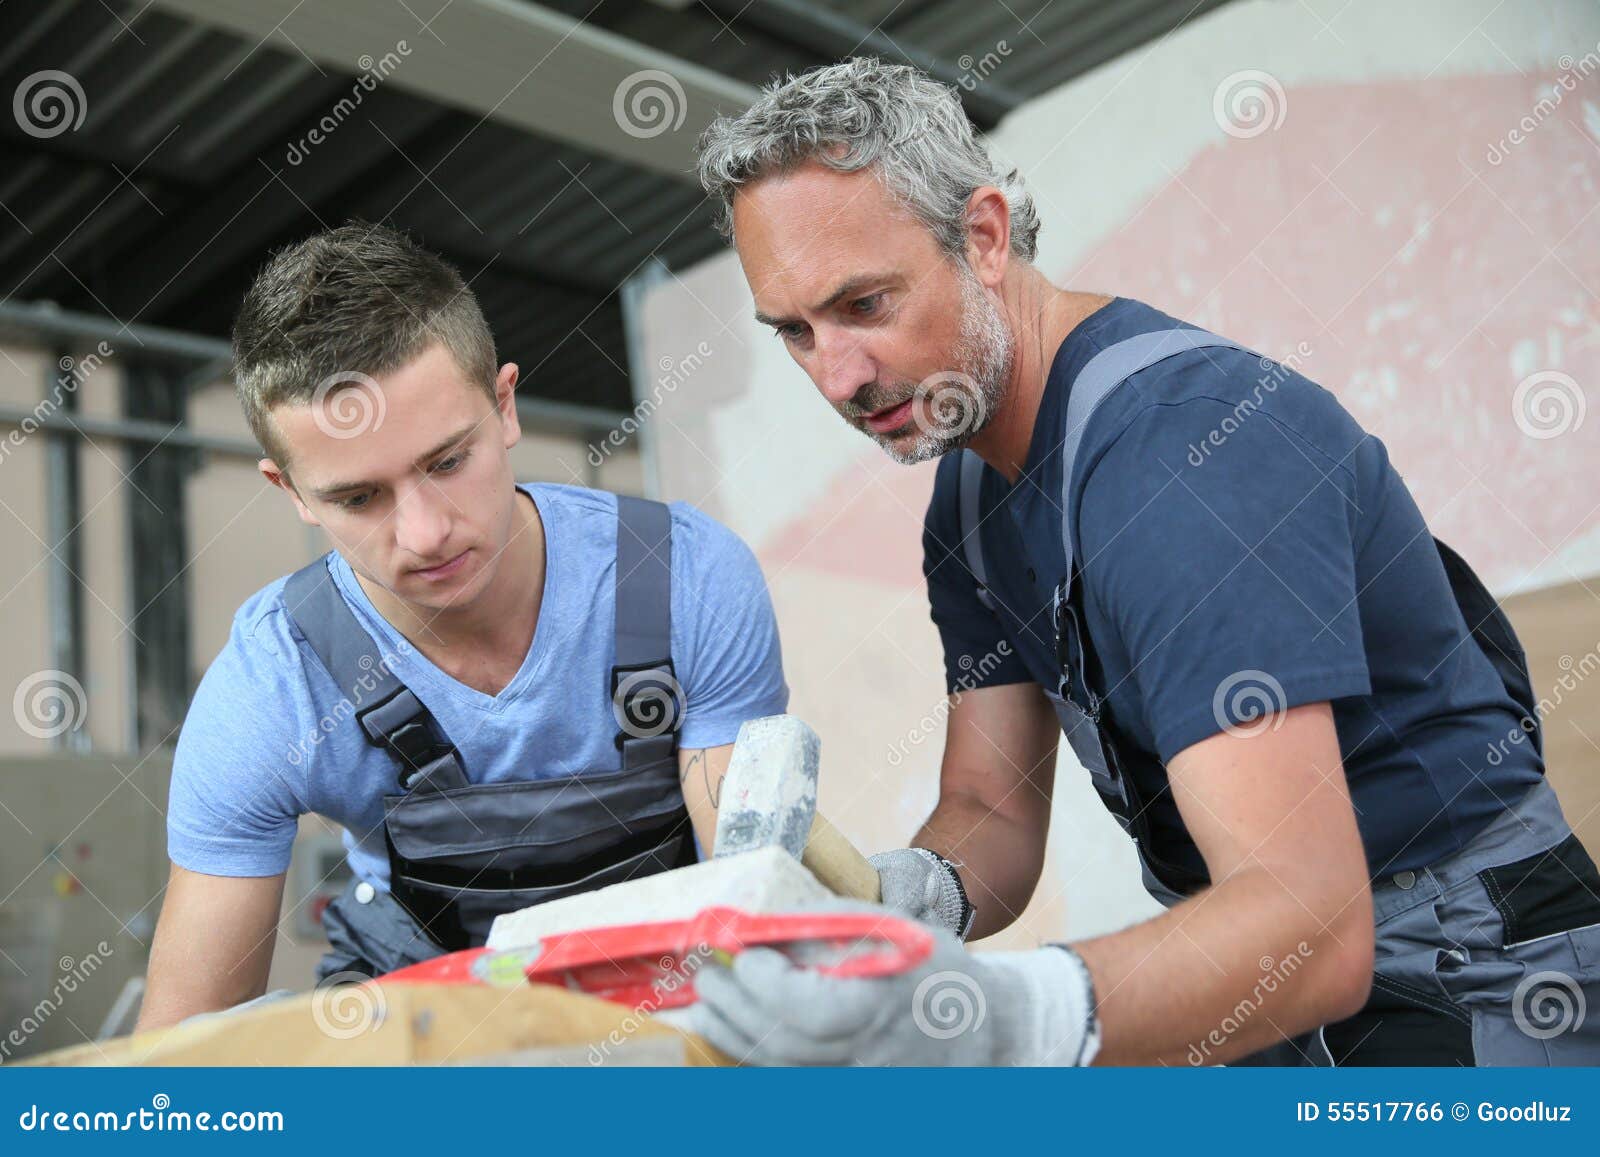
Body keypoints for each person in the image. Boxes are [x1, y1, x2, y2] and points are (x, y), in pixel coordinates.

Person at [682, 58, 1600, 1066]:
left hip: (1463, 963)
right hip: (1261, 953)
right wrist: (900, 898)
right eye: (795, 333)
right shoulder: (972, 495)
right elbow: (991, 809)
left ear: (982, 237)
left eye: (862, 305)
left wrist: (982, 1017)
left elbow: (1312, 926)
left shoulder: (1180, 454)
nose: (838, 375)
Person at [136, 224, 787, 1030]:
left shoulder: (684, 578)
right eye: (358, 497)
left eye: (447, 461)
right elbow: (176, 1062)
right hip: (420, 1055)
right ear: (291, 490)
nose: (426, 532)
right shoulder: (273, 684)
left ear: (505, 405)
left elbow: (752, 928)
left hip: (672, 1027)